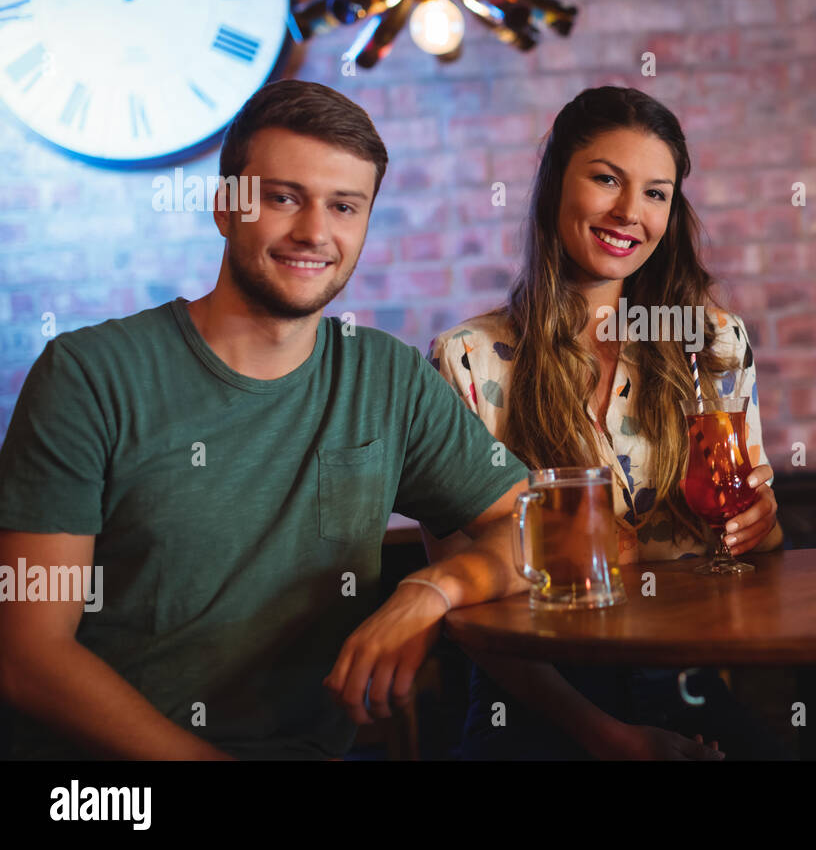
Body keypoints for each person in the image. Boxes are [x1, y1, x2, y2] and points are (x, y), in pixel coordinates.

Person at [0, 80, 530, 759]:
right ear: (226, 208)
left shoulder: (385, 377)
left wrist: (434, 588)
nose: (314, 231)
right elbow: (27, 656)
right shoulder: (88, 376)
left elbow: (543, 529)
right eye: (283, 198)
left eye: (344, 206)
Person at [428, 86, 785, 759]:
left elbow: (756, 552)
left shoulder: (713, 342)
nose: (630, 212)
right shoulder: (467, 360)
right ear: (554, 183)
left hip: (687, 686)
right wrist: (606, 736)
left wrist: (763, 523)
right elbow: (456, 598)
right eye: (605, 179)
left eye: (656, 193)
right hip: (535, 701)